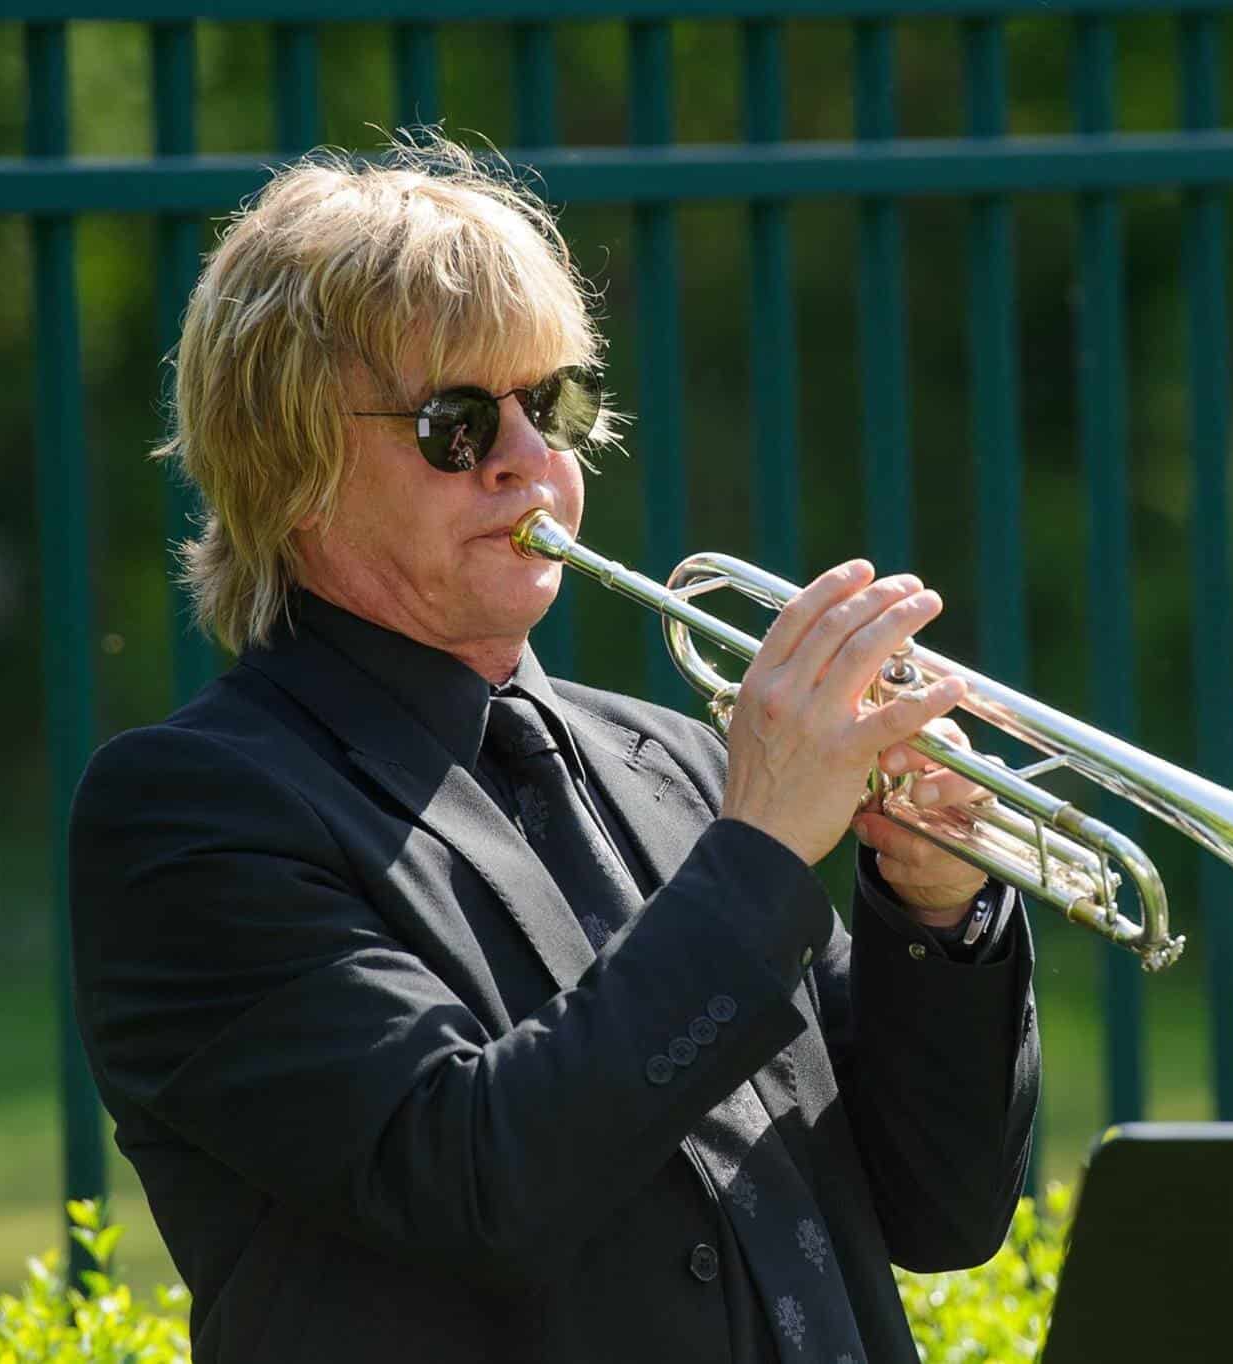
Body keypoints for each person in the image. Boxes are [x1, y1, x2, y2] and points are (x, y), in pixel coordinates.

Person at [67, 134, 1040, 1364]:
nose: (529, 459)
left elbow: (942, 1210)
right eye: (457, 424)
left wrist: (934, 907)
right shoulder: (195, 810)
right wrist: (758, 852)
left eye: (554, 403)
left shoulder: (677, 763)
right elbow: (476, 1176)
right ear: (293, 463)